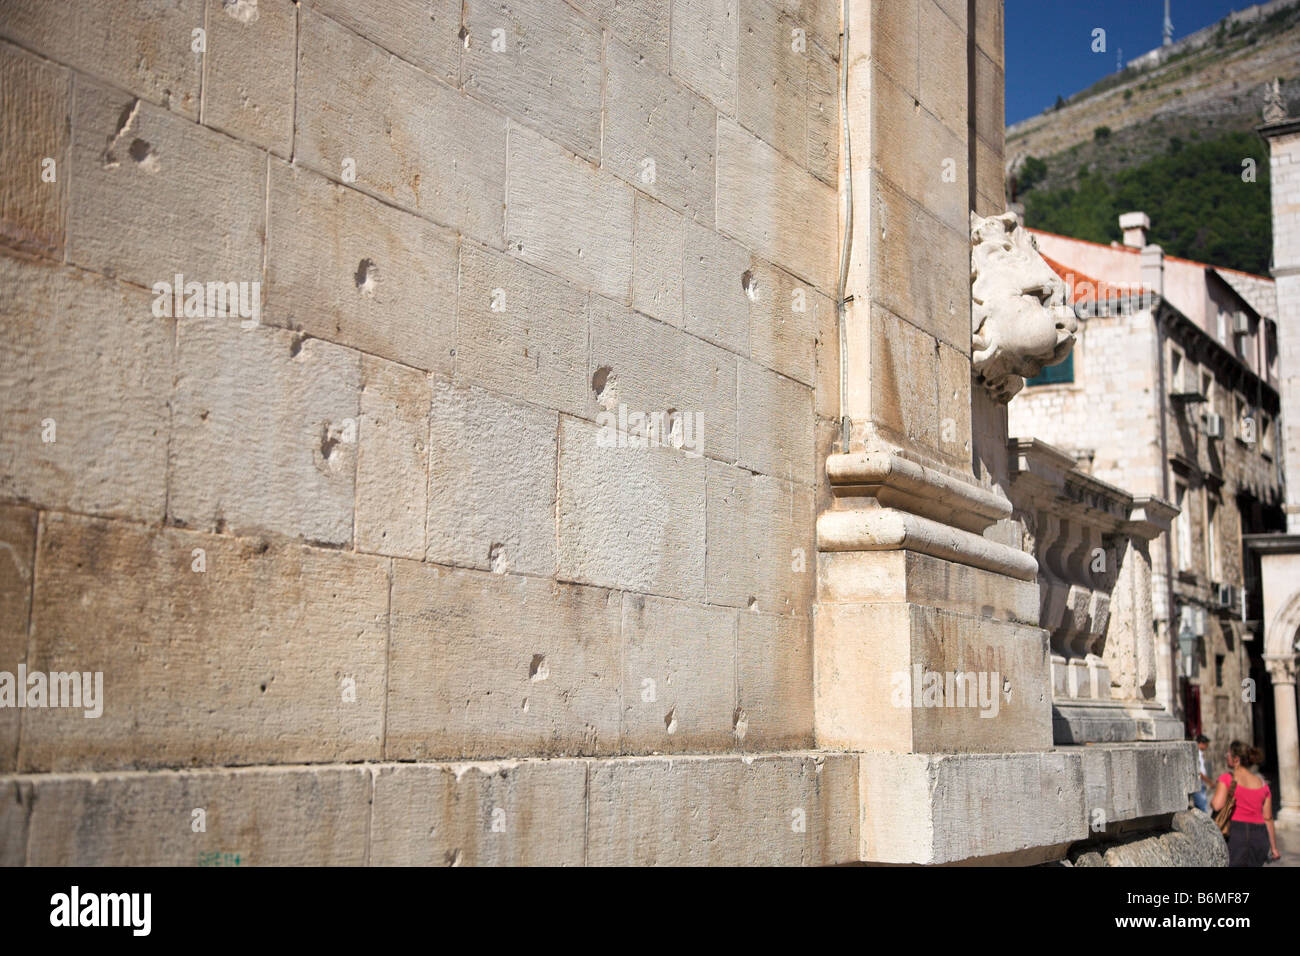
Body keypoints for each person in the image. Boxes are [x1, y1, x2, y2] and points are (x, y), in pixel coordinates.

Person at [1210, 740, 1282, 866]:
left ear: (1236, 759)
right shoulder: (1263, 784)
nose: (1226, 757)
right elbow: (1268, 818)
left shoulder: (1227, 778)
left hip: (1235, 835)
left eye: (1228, 754)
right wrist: (1274, 848)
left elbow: (1217, 805)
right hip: (1259, 835)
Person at [1193, 734, 1212, 812]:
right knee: (1202, 808)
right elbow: (1199, 772)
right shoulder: (1196, 753)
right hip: (1199, 785)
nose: (1207, 747)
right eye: (1206, 744)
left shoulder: (1200, 753)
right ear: (1201, 743)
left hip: (1201, 784)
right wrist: (1209, 782)